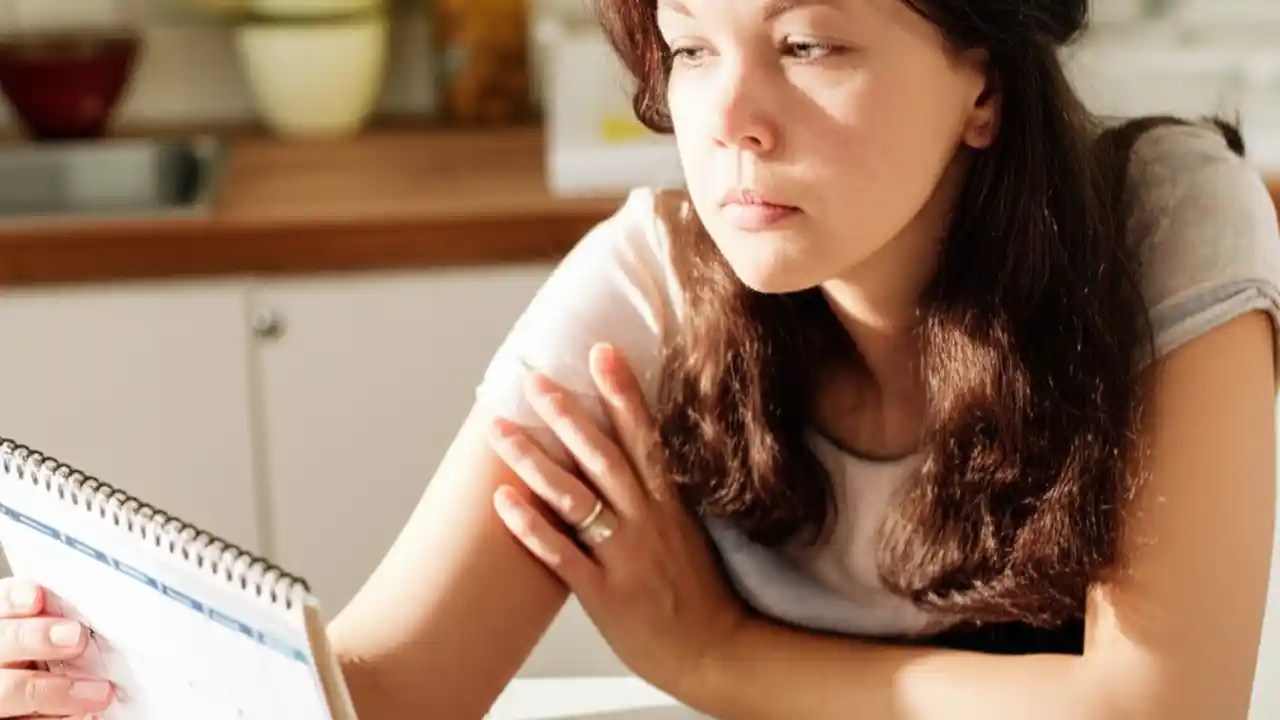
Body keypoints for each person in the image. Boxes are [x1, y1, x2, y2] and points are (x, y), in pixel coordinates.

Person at [2, 0, 1278, 717]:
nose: (728, 123)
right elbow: (383, 696)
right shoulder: (651, 282)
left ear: (984, 82)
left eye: (807, 45)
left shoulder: (1166, 214)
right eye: (691, 45)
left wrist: (716, 658)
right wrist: (90, 671)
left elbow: (1157, 714)